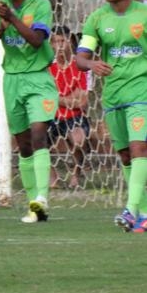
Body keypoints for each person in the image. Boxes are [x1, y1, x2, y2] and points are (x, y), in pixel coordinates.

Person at [0, 0, 58, 224]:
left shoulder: (40, 5)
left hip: (38, 78)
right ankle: (33, 207)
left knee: (38, 134)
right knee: (23, 145)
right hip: (12, 80)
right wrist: (1, 27)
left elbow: (37, 41)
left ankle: (43, 197)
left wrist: (12, 18)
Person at [75, 0, 147, 232]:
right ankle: (143, 214)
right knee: (126, 155)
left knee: (140, 148)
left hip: (141, 90)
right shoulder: (97, 18)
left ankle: (129, 210)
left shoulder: (144, 16)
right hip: (113, 95)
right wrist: (92, 64)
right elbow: (81, 57)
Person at [47, 25, 91, 190]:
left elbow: (82, 102)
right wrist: (69, 98)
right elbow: (45, 97)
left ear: (70, 42)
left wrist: (57, 98)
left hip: (75, 115)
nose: (59, 46)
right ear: (51, 44)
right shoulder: (47, 67)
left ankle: (75, 175)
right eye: (55, 42)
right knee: (35, 139)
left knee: (79, 141)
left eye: (62, 41)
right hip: (52, 115)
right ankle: (53, 179)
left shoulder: (80, 66)